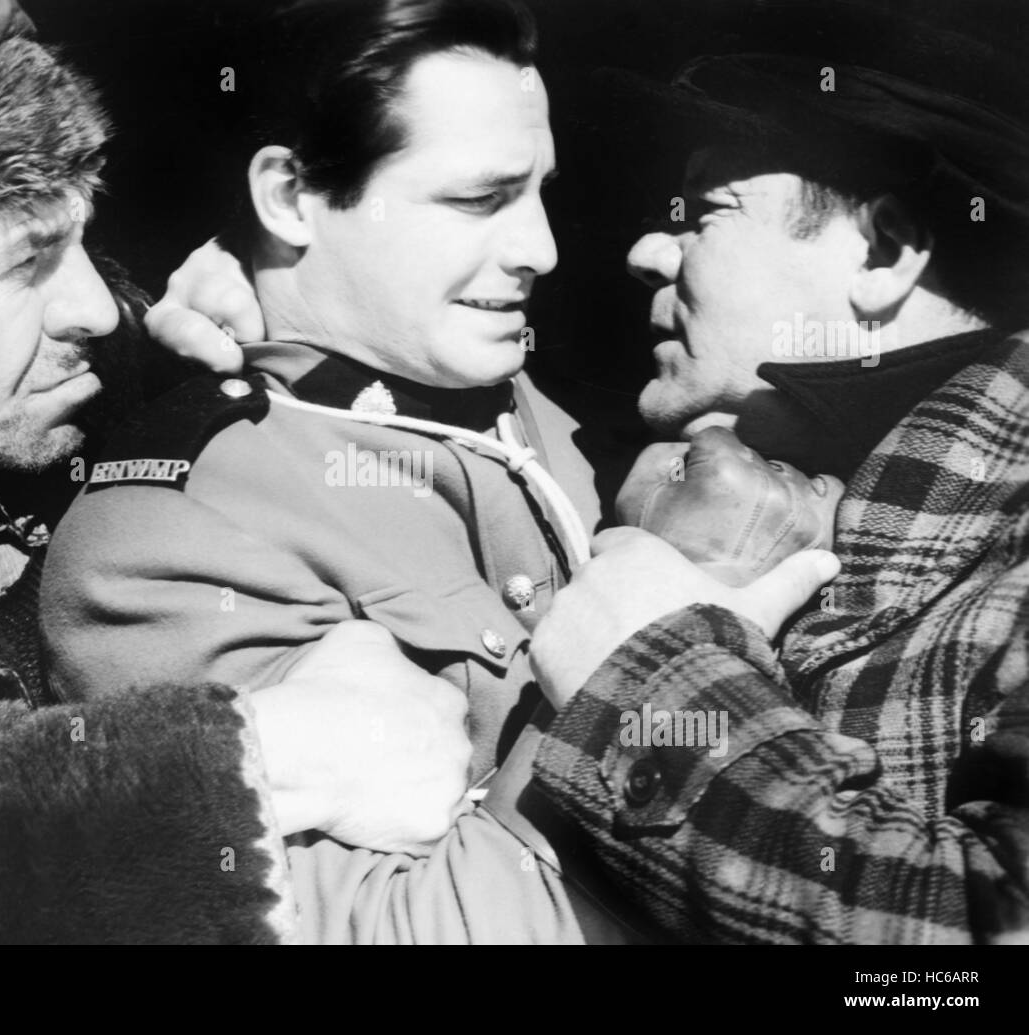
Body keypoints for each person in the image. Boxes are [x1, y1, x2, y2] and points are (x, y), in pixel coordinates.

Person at [153, 6, 1029, 942]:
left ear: (885, 253)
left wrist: (650, 677)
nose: (637, 249)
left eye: (703, 210)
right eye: (480, 197)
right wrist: (245, 329)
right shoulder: (662, 454)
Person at [0, 0, 475, 943]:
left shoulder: (142, 375)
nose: (95, 305)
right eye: (29, 261)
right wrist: (262, 762)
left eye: (84, 239)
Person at [39, 0, 634, 944]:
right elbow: (405, 930)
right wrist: (660, 666)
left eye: (541, 192)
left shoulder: (510, 398)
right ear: (288, 198)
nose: (542, 249)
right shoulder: (168, 532)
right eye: (481, 199)